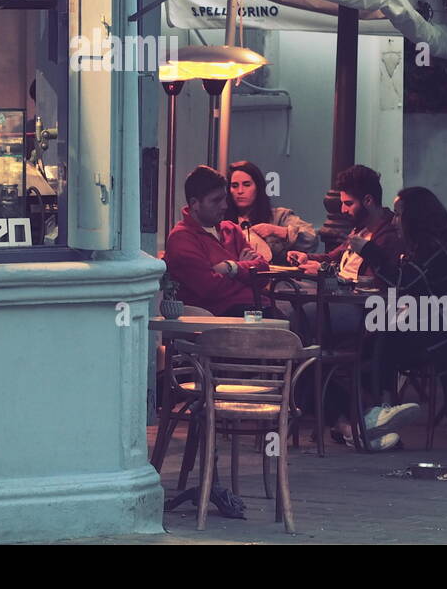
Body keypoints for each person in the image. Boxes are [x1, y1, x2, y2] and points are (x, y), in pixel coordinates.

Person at [286, 165, 418, 450]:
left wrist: (324, 273)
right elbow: (334, 258)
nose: (343, 210)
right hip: (341, 308)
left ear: (368, 201)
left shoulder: (385, 236)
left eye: (348, 203)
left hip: (366, 315)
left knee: (296, 338)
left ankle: (346, 419)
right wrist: (309, 259)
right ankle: (355, 423)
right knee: (302, 348)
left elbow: (374, 281)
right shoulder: (360, 229)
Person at [351, 186, 447, 418]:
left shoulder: (436, 249)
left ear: (414, 218)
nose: (394, 221)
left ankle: (379, 407)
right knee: (378, 333)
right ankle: (378, 404)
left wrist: (369, 251)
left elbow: (403, 282)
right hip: (436, 324)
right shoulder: (432, 244)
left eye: (398, 214)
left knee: (380, 335)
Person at [164, 165, 270, 317]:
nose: (225, 206)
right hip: (221, 317)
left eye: (225, 199)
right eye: (216, 201)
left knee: (297, 326)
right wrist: (247, 276)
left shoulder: (232, 229)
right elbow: (210, 288)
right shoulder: (182, 238)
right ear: (194, 203)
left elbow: (263, 274)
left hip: (255, 310)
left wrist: (231, 268)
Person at [225, 160, 317, 265]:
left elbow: (311, 239)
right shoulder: (221, 219)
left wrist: (277, 231)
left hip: (275, 278)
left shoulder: (279, 216)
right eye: (235, 186)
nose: (240, 191)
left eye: (246, 184)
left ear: (258, 187)